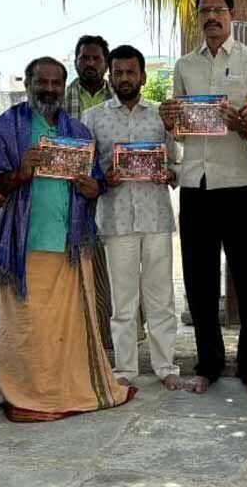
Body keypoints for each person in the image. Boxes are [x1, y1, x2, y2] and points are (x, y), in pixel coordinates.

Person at [0, 57, 133, 420]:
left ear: (63, 86)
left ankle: (64, 393)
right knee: (27, 328)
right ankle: (26, 399)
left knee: (65, 330)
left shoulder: (78, 132)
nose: (49, 89)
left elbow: (94, 183)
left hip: (69, 245)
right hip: (24, 244)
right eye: (42, 81)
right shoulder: (5, 127)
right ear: (28, 84)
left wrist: (91, 186)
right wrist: (21, 172)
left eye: (55, 82)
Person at [158, 0, 247, 395]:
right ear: (199, 17)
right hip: (194, 185)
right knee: (199, 279)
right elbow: (177, 127)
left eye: (218, 10)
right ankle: (208, 362)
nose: (211, 17)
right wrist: (169, 118)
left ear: (231, 14)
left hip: (238, 183)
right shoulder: (184, 66)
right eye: (204, 11)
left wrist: (245, 124)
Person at [81, 44, 182, 390]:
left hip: (155, 216)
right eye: (119, 72)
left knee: (161, 297)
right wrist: (102, 179)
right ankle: (125, 370)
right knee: (123, 302)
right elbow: (86, 171)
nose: (125, 78)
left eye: (131, 72)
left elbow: (176, 163)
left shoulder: (160, 116)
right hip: (116, 220)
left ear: (143, 76)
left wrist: (169, 174)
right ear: (111, 75)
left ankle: (166, 366)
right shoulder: (93, 118)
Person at [63, 34, 117, 348]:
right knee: (74, 267)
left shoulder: (119, 99)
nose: (90, 64)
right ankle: (76, 338)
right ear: (76, 62)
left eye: (96, 58)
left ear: (106, 64)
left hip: (112, 194)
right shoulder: (60, 98)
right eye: (85, 58)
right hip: (71, 195)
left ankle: (107, 340)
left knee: (108, 268)